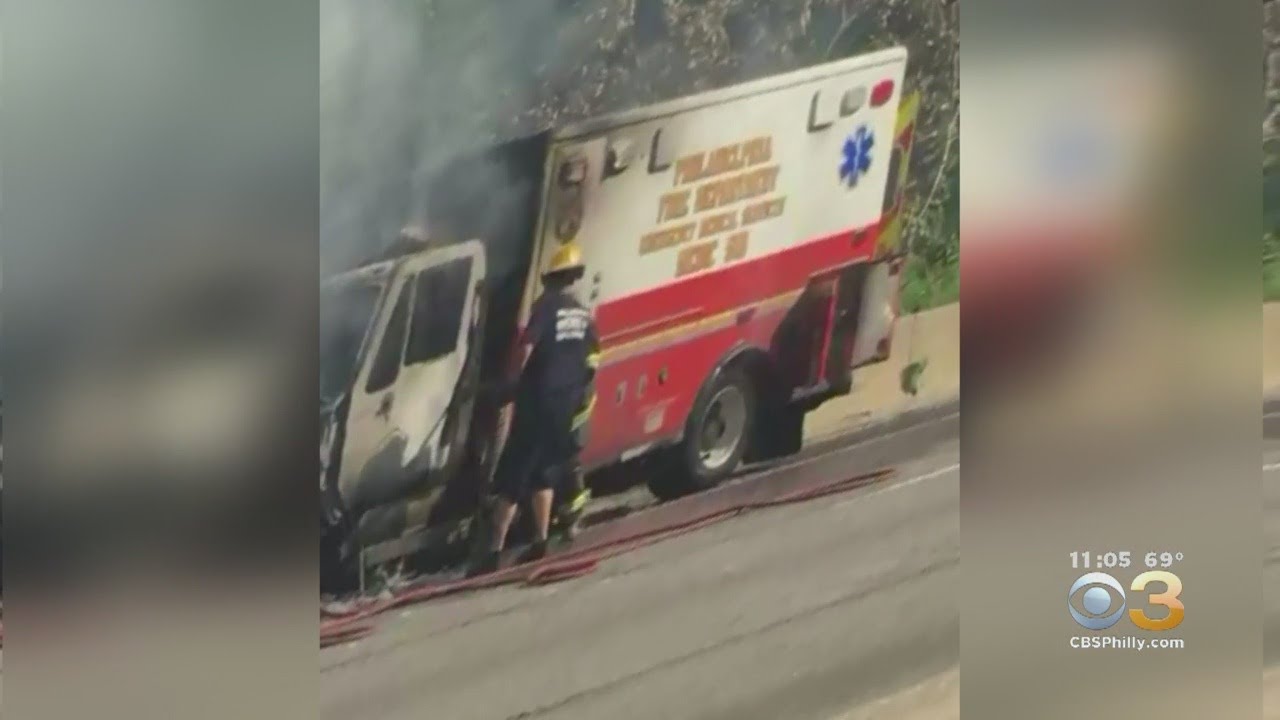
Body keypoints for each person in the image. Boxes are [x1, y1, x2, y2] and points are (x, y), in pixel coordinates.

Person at [470, 242, 598, 574]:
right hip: (565, 408)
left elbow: (526, 348)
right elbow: (592, 361)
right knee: (543, 474)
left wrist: (509, 383)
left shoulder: (545, 307)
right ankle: (540, 543)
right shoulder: (584, 314)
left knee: (511, 478)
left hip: (537, 403)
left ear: (550, 279)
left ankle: (491, 556)